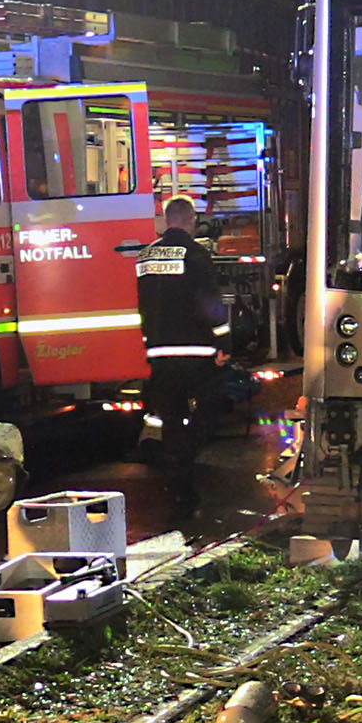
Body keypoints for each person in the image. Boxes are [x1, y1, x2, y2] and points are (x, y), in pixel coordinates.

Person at [135, 195, 231, 513]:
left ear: (165, 220)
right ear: (190, 220)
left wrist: (150, 343)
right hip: (196, 351)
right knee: (209, 407)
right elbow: (210, 303)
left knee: (172, 419)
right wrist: (224, 343)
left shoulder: (145, 257)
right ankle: (191, 456)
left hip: (161, 352)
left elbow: (144, 306)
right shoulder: (197, 254)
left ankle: (181, 486)